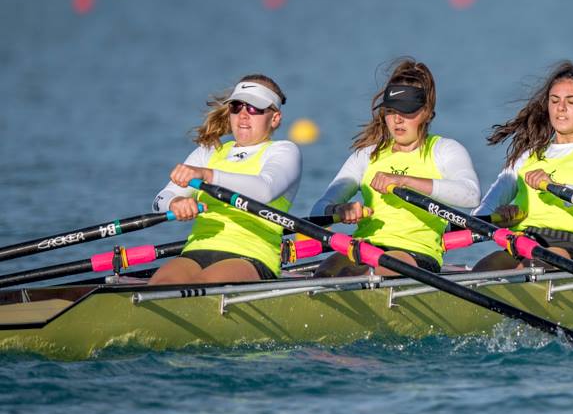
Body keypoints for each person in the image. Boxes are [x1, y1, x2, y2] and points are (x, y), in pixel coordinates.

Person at [309, 59, 480, 276]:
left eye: (406, 111)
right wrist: (338, 210)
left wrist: (404, 181)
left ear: (427, 112)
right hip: (364, 247)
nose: (397, 119)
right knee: (325, 274)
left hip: (416, 253)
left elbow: (471, 195)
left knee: (367, 274)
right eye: (390, 111)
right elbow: (317, 210)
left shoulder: (445, 150)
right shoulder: (366, 155)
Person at [473, 61, 573, 271]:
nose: (561, 108)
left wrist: (557, 187)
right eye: (555, 101)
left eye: (571, 101)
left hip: (566, 246)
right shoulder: (527, 154)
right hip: (518, 242)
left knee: (532, 268)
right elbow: (483, 212)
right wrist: (500, 218)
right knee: (482, 271)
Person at [149, 74, 301, 284]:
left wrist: (207, 174)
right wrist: (176, 203)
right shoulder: (208, 152)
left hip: (252, 255)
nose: (244, 115)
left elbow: (265, 190)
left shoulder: (283, 151)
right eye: (237, 107)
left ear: (275, 118)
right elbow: (160, 200)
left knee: (200, 287)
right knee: (158, 287)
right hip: (196, 249)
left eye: (254, 108)